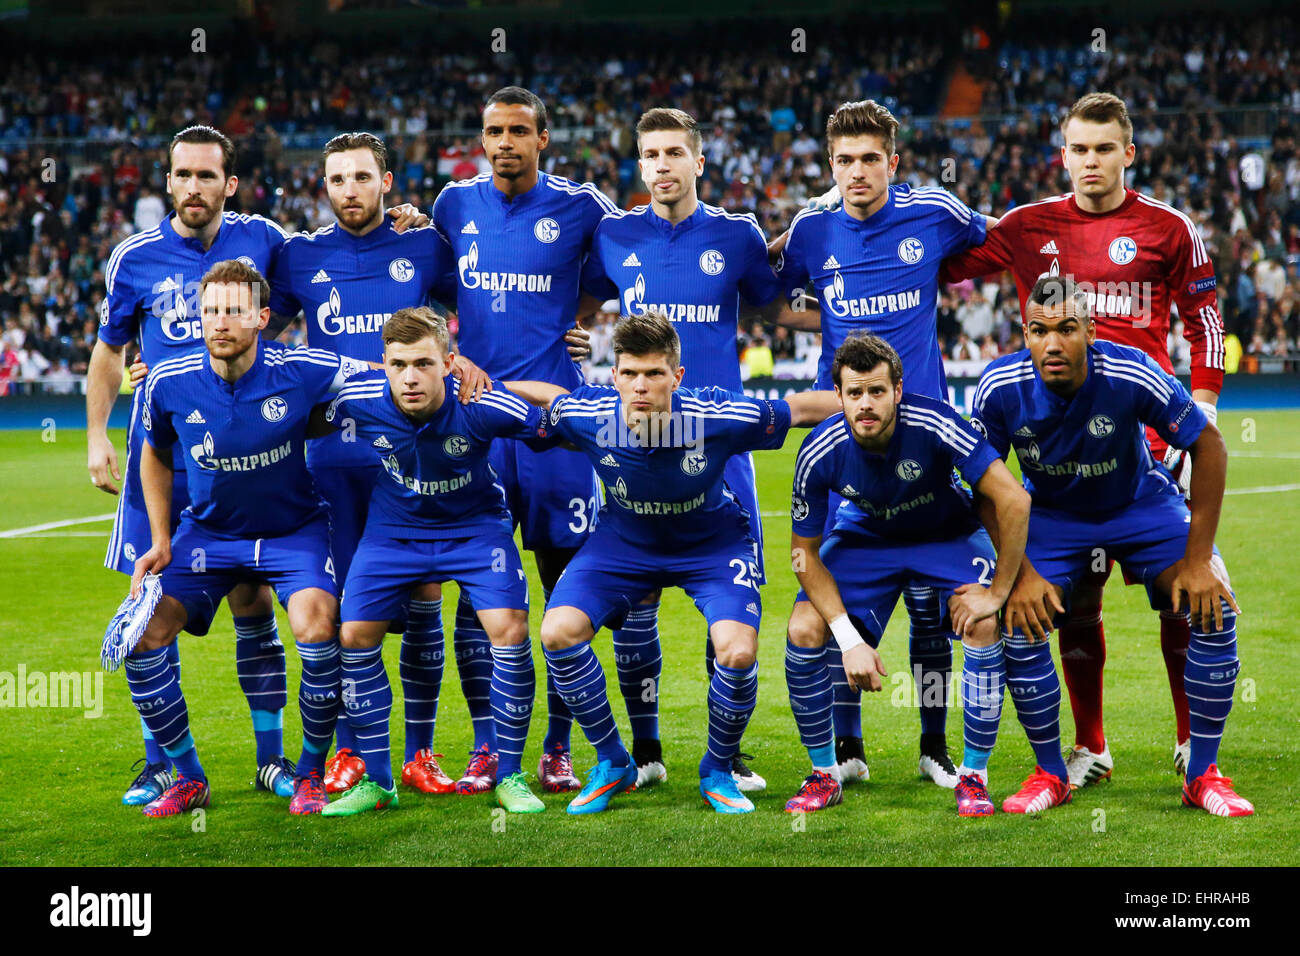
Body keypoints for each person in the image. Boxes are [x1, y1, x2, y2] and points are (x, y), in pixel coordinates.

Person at [96, 126, 426, 806]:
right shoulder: (134, 261)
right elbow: (109, 351)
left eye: (207, 175)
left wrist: (436, 361)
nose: (194, 186)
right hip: (173, 453)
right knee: (144, 619)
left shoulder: (270, 244)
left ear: (230, 182)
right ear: (167, 181)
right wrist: (97, 434)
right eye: (182, 174)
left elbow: (335, 287)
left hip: (264, 463)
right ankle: (169, 766)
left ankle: (281, 762)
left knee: (260, 610)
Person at [942, 92, 1227, 787]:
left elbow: (1206, 317)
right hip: (1055, 444)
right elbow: (934, 264)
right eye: (1079, 148)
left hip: (1155, 440)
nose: (1090, 161)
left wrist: (1206, 407)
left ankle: (1193, 743)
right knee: (1075, 600)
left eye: (1104, 148)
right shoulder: (1025, 225)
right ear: (1062, 154)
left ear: (1128, 153)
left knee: (1185, 594)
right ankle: (1090, 745)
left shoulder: (1170, 228)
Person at [506, 311, 840, 815]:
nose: (641, 386)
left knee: (736, 652)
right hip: (622, 544)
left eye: (654, 373)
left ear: (677, 376)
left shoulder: (715, 416)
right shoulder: (591, 414)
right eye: (630, 373)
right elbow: (549, 396)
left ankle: (717, 770)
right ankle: (614, 762)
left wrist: (862, 399)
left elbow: (797, 407)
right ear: (613, 375)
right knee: (557, 632)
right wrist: (473, 377)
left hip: (711, 544)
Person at [970, 275, 1251, 816]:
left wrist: (1197, 560)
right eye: (1039, 331)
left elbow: (1208, 446)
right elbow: (982, 482)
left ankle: (1203, 773)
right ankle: (1051, 771)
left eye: (1067, 330)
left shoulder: (1130, 372)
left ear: (1090, 331)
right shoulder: (999, 386)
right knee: (1019, 619)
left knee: (1215, 600)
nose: (1053, 344)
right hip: (1053, 516)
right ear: (1024, 335)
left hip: (1139, 505)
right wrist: (1020, 571)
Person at [772, 99, 992, 787]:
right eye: (844, 161)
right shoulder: (811, 229)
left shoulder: (935, 213)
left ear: (893, 162)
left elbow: (994, 245)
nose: (857, 172)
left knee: (932, 612)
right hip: (851, 445)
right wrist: (826, 320)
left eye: (870, 159)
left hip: (928, 444)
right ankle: (848, 749)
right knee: (842, 605)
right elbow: (767, 293)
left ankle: (934, 747)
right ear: (829, 166)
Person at [577, 106, 791, 791]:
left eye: (675, 152)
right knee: (634, 605)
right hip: (636, 440)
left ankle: (725, 754)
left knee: (729, 599)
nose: (663, 165)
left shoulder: (737, 236)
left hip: (721, 445)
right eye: (651, 155)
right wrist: (575, 336)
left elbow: (773, 303)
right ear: (638, 166)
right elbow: (572, 304)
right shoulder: (613, 235)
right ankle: (646, 751)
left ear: (700, 162)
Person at [267, 131, 486, 798]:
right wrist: (161, 358)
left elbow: (478, 311)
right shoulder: (298, 257)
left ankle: (419, 751)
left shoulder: (423, 244)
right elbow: (253, 334)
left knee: (423, 598)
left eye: (363, 177)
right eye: (338, 180)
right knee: (334, 616)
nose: (351, 190)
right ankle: (347, 753)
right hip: (332, 463)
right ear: (324, 187)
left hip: (411, 458)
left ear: (386, 184)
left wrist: (487, 351)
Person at [126, 260, 369, 817]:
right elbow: (156, 453)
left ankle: (307, 771)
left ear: (262, 317)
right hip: (209, 535)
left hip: (293, 531)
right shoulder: (169, 381)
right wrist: (161, 540)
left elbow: (382, 372)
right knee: (142, 636)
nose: (220, 322)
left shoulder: (302, 368)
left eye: (234, 311)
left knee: (316, 626)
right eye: (210, 310)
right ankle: (187, 777)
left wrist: (448, 368)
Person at [431, 86, 613, 795]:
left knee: (567, 589)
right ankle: (485, 746)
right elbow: (433, 277)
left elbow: (612, 272)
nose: (503, 142)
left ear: (543, 140)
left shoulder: (582, 207)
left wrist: (585, 317)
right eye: (492, 131)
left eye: (517, 131)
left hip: (557, 430)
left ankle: (559, 748)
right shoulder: (453, 207)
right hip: (476, 427)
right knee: (478, 596)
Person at [313, 308, 553, 816]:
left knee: (509, 631)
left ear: (449, 363)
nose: (409, 377)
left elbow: (558, 418)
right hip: (393, 531)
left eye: (423, 363)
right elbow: (295, 411)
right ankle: (377, 781)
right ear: (383, 364)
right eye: (398, 364)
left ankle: (508, 774)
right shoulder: (358, 399)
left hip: (475, 528)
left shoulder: (481, 404)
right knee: (353, 636)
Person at [787, 332, 1030, 816]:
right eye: (854, 393)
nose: (866, 404)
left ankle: (974, 778)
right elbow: (804, 557)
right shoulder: (818, 451)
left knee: (983, 622)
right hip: (867, 538)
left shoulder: (936, 422)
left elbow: (1013, 499)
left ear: (898, 389)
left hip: (944, 534)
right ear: (838, 396)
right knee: (803, 627)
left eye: (877, 391)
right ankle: (823, 774)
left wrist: (999, 592)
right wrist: (848, 639)